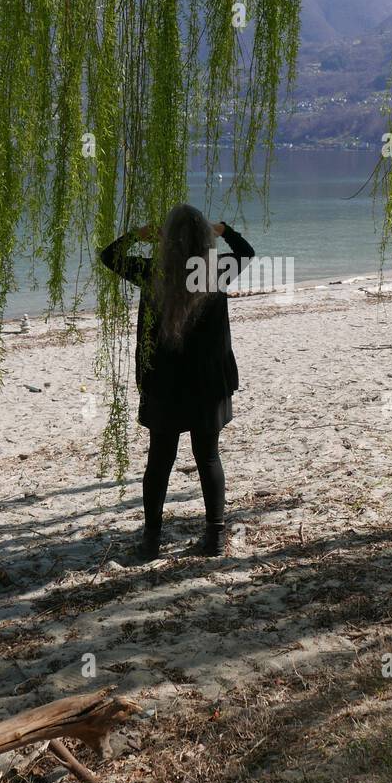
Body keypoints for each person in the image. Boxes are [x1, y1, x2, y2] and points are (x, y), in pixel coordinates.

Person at [100, 205, 255, 560]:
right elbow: (247, 252)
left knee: (159, 460)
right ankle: (215, 538)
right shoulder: (215, 271)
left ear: (166, 240)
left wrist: (137, 236)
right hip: (208, 384)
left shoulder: (153, 271)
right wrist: (223, 229)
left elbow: (109, 256)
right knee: (209, 457)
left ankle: (151, 541)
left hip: (165, 384)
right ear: (205, 239)